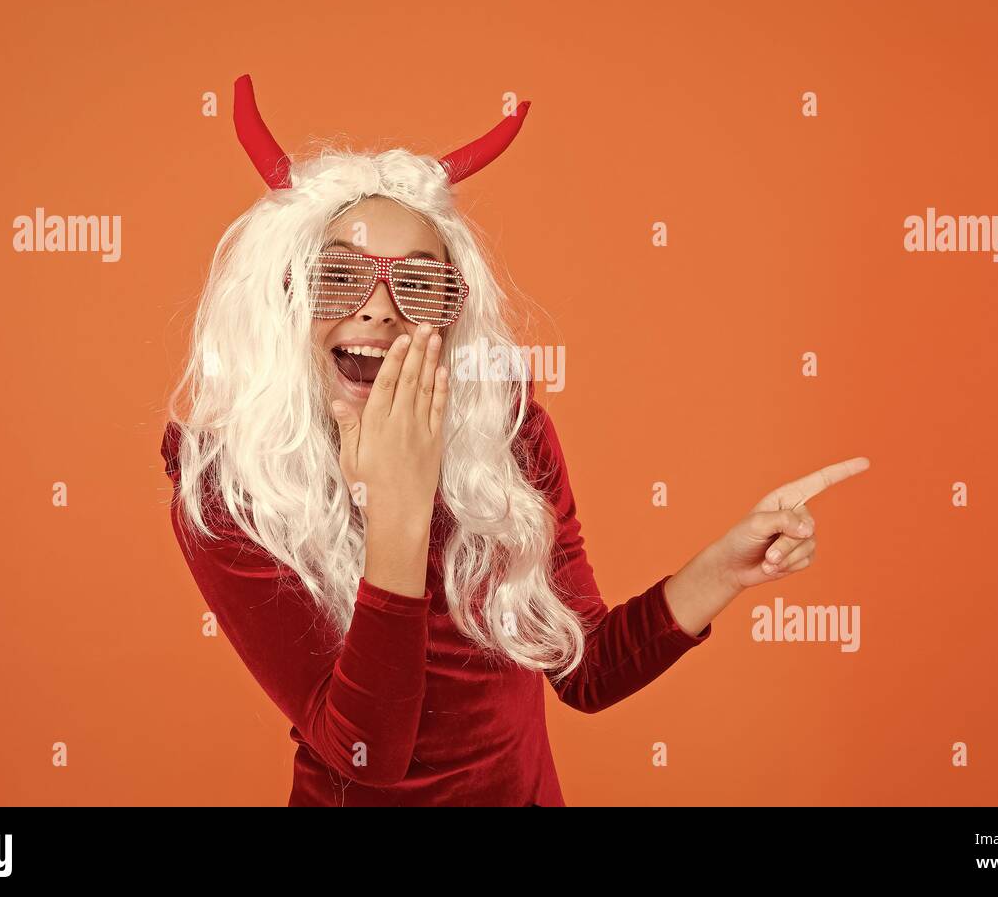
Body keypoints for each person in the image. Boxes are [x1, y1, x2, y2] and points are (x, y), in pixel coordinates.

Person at [160, 75, 870, 805]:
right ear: (286, 299)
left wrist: (725, 567)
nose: (378, 312)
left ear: (452, 315)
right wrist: (398, 511)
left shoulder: (507, 440)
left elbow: (585, 670)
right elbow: (368, 753)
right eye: (338, 277)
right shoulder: (228, 490)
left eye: (420, 286)